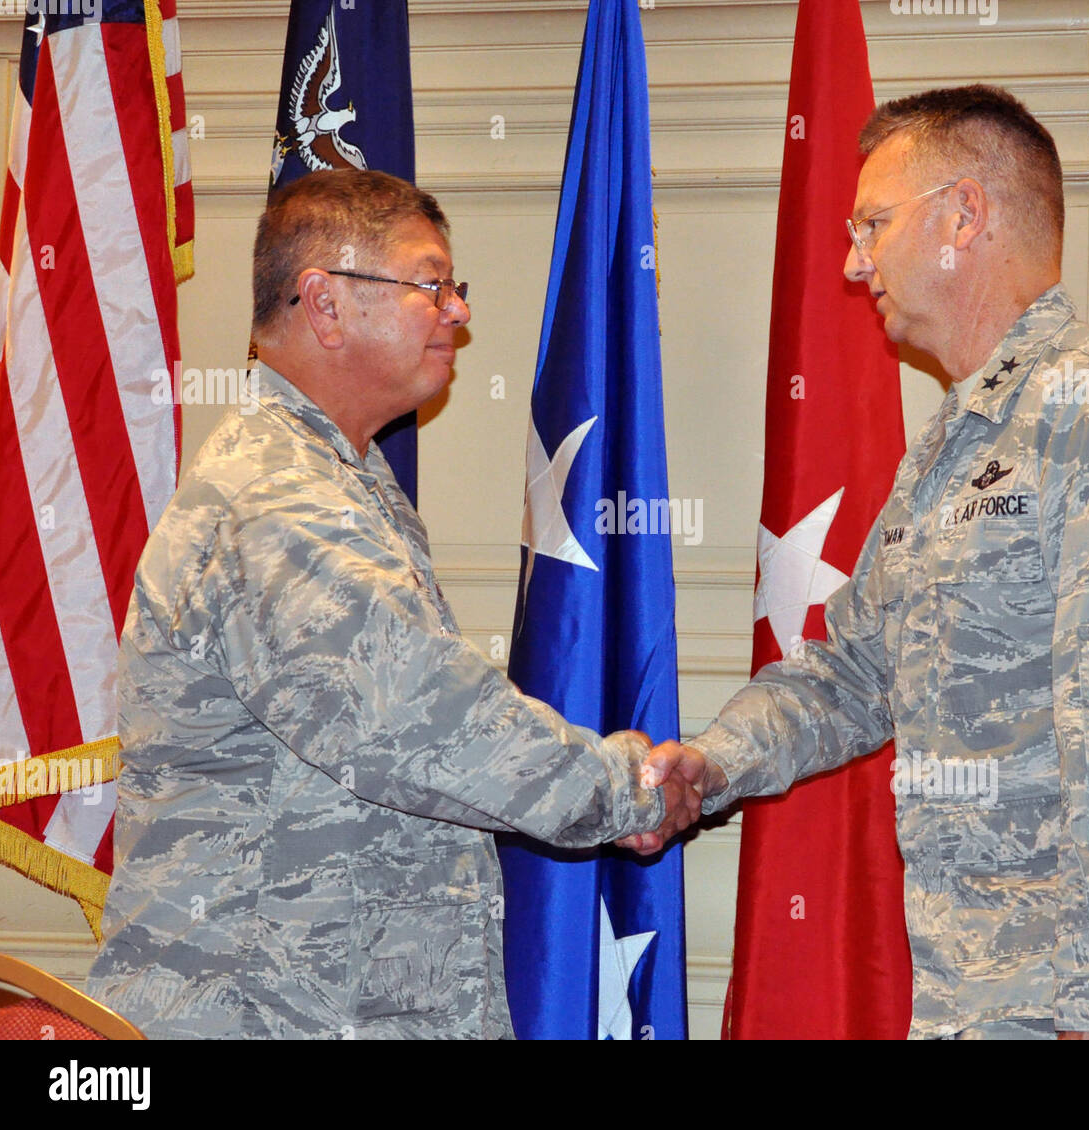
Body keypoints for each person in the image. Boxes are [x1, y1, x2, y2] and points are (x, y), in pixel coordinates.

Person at [643, 84, 1089, 1039]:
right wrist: (711, 764)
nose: (856, 264)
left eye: (873, 224)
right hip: (985, 991)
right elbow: (851, 675)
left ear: (964, 213)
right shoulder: (955, 448)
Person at [86, 169, 698, 1039]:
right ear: (325, 303)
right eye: (431, 283)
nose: (457, 311)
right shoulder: (273, 502)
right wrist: (634, 788)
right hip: (259, 1014)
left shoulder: (345, 479)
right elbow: (435, 726)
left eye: (455, 288)